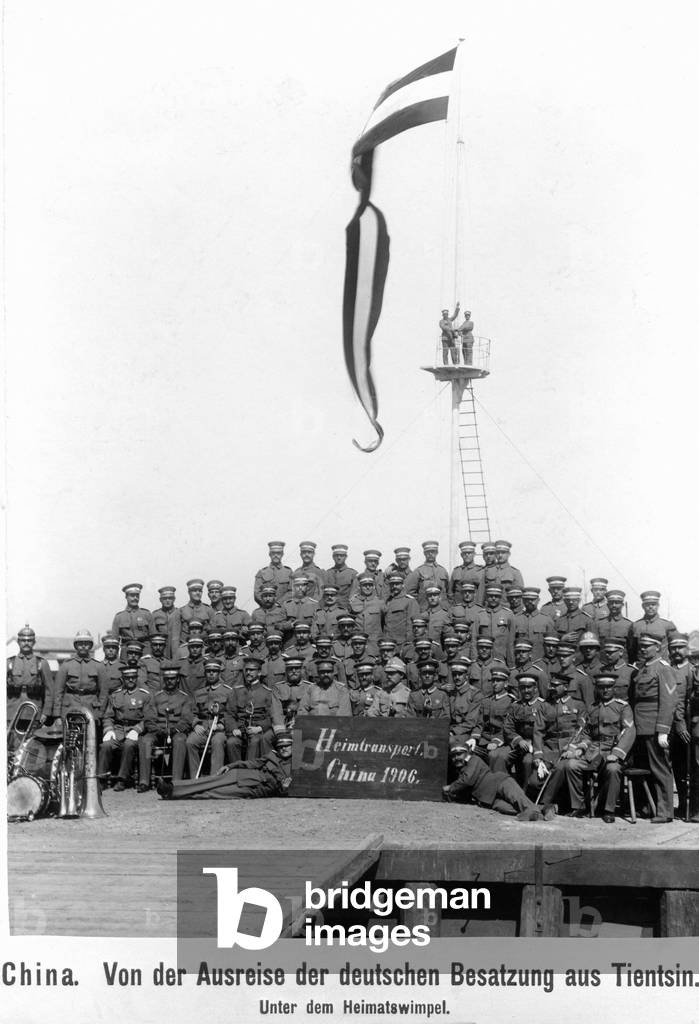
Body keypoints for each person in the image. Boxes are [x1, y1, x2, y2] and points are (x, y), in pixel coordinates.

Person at [560, 671, 635, 822]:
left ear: (614, 688)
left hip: (612, 751)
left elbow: (630, 731)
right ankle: (579, 806)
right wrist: (580, 748)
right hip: (593, 752)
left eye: (609, 687)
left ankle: (609, 810)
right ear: (597, 689)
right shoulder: (592, 708)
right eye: (602, 687)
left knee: (612, 769)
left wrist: (617, 753)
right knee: (571, 765)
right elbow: (586, 733)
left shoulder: (622, 707)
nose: (605, 690)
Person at [628, 633, 678, 822]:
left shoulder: (664, 669)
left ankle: (665, 812)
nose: (643, 649)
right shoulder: (640, 670)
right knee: (644, 768)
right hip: (639, 727)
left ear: (658, 647)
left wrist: (663, 730)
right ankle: (649, 807)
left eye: (647, 646)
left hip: (654, 726)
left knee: (660, 768)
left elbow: (669, 701)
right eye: (641, 646)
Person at [157, 733, 293, 800]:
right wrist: (230, 766)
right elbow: (251, 763)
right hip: (243, 775)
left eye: (287, 746)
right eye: (281, 747)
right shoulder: (272, 756)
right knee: (209, 782)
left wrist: (285, 790)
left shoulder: (296, 767)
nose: (284, 749)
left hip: (254, 789)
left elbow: (280, 791)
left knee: (213, 794)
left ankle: (173, 795)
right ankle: (172, 787)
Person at [443, 744, 556, 821]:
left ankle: (535, 811)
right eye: (453, 756)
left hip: (499, 782)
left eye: (459, 754)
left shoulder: (474, 760)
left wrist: (450, 788)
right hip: (488, 799)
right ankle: (543, 809)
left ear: (466, 754)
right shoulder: (460, 772)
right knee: (508, 809)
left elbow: (466, 780)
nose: (456, 758)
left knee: (519, 800)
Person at [139, 661, 192, 789]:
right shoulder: (156, 697)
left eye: (172, 679)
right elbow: (149, 718)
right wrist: (158, 730)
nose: (170, 681)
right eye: (167, 679)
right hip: (158, 731)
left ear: (177, 679)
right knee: (146, 741)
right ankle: (144, 781)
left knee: (180, 740)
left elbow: (186, 719)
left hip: (176, 732)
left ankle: (176, 782)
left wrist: (175, 729)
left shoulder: (184, 698)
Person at [98, 666, 151, 790]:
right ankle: (101, 779)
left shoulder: (144, 695)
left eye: (133, 677)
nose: (131, 680)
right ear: (123, 679)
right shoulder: (115, 695)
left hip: (135, 730)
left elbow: (149, 718)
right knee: (105, 746)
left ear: (137, 678)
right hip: (118, 729)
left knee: (129, 745)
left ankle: (122, 779)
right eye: (127, 678)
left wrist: (137, 729)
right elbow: (108, 716)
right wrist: (109, 729)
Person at [225, 654, 283, 762]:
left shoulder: (267, 693)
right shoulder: (236, 691)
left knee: (255, 741)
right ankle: (236, 771)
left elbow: (271, 716)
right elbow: (229, 714)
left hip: (257, 730)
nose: (248, 673)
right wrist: (234, 728)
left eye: (252, 670)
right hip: (240, 730)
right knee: (231, 742)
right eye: (246, 670)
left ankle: (250, 773)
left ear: (259, 673)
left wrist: (260, 727)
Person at [490, 673, 545, 787]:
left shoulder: (543, 706)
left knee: (528, 761)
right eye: (522, 688)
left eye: (529, 687)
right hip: (517, 744)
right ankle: (502, 788)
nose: (526, 691)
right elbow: (508, 727)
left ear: (535, 688)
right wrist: (519, 740)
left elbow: (547, 731)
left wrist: (534, 744)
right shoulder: (515, 706)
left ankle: (525, 794)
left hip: (537, 745)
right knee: (499, 756)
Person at [185, 658, 231, 777]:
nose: (211, 674)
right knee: (190, 742)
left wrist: (223, 724)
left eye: (214, 671)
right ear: (205, 673)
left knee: (217, 741)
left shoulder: (228, 691)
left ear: (219, 673)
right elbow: (191, 712)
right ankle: (195, 779)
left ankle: (214, 778)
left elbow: (232, 712)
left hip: (219, 728)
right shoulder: (198, 692)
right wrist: (195, 724)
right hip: (203, 726)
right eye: (208, 671)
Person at [53, 629, 108, 725]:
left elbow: (103, 693)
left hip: (91, 708)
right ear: (75, 645)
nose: (83, 646)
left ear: (91, 646)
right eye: (80, 643)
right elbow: (58, 691)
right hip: (69, 706)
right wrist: (57, 715)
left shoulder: (98, 666)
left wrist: (100, 712)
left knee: (90, 737)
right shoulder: (66, 665)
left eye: (86, 643)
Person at [7, 624, 53, 727]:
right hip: (11, 711)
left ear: (34, 642)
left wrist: (46, 712)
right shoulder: (9, 663)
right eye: (23, 640)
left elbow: (49, 691)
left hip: (34, 712)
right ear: (18, 642)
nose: (26, 643)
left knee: (32, 742)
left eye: (29, 640)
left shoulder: (42, 663)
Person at [628, 591, 677, 663]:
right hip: (641, 667)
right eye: (647, 605)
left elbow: (674, 648)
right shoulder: (636, 626)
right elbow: (631, 650)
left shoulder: (667, 625)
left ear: (658, 606)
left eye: (653, 604)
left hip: (660, 668)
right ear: (643, 606)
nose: (650, 607)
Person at [404, 541, 450, 611]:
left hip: (442, 610)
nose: (430, 554)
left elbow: (448, 591)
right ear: (424, 553)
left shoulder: (443, 571)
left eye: (433, 551)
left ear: (437, 553)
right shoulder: (418, 571)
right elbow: (409, 592)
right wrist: (420, 601)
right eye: (428, 552)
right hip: (425, 609)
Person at [513, 587, 555, 662]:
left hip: (541, 662)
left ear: (538, 600)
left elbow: (552, 644)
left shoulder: (546, 620)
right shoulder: (516, 619)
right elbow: (511, 643)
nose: (530, 602)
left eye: (533, 599)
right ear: (523, 600)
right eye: (527, 599)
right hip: (521, 662)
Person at [476, 585, 515, 666]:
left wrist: (511, 663)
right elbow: (474, 639)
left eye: (496, 596)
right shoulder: (480, 614)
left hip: (501, 658)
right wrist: (473, 659)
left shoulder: (508, 614)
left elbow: (511, 642)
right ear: (486, 597)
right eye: (490, 596)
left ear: (500, 597)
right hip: (483, 660)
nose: (493, 598)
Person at [111, 584, 153, 656]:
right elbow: (115, 640)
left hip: (145, 651)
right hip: (126, 651)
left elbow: (153, 636)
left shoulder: (146, 614)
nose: (135, 598)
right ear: (126, 597)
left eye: (137, 595)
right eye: (132, 595)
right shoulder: (119, 617)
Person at [383, 573, 420, 645]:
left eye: (397, 584)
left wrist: (408, 643)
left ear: (403, 585)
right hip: (388, 642)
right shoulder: (388, 601)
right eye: (392, 584)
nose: (394, 586)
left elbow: (412, 625)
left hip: (402, 643)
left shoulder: (410, 601)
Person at [254, 541, 293, 606]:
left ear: (282, 554)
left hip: (283, 609)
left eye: (278, 553)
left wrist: (279, 603)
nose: (276, 555)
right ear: (269, 554)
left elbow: (292, 592)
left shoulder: (288, 572)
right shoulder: (262, 572)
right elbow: (257, 593)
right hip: (266, 609)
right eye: (273, 553)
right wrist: (267, 604)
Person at [151, 586, 181, 657]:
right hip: (161, 651)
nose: (167, 600)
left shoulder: (180, 613)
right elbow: (152, 635)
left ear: (174, 599)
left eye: (170, 598)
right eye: (164, 598)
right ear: (160, 600)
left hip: (177, 650)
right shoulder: (155, 615)